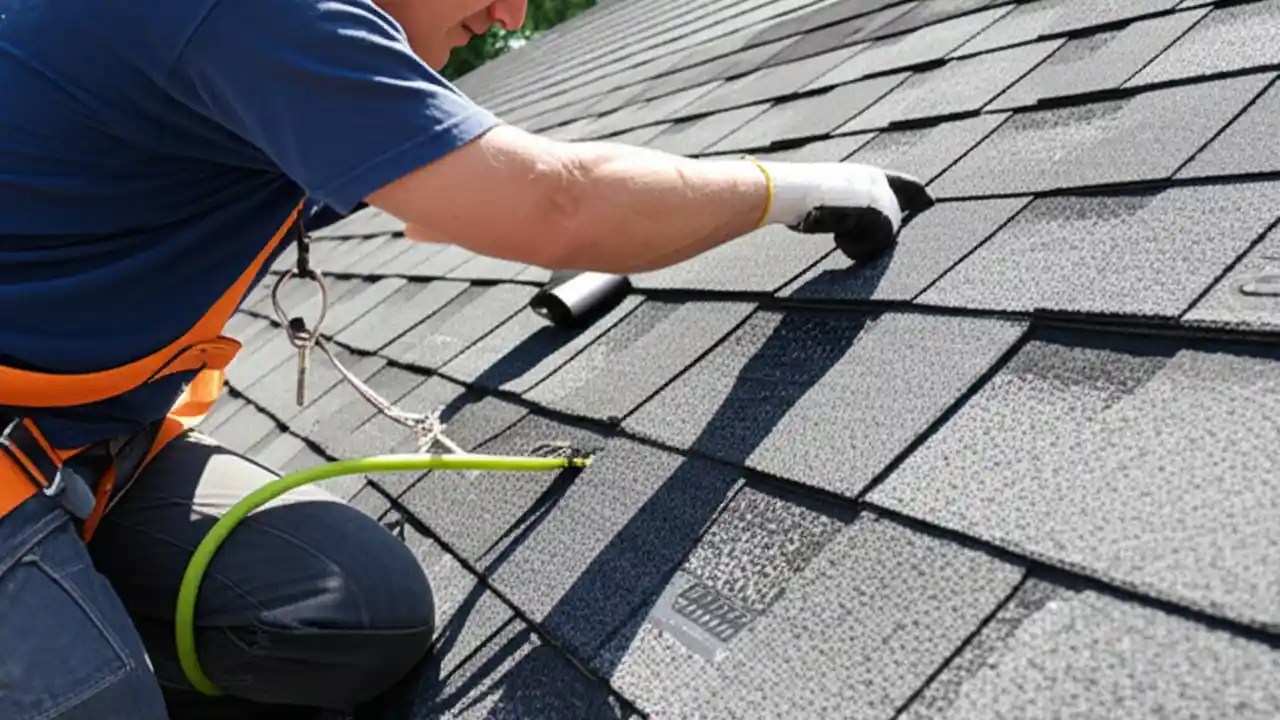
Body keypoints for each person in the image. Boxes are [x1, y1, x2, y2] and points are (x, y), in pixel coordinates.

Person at [0, 0, 931, 718]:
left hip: (81, 447)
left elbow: (452, 188)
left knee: (353, 607)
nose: (514, 15)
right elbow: (551, 204)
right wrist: (800, 188)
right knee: (87, 699)